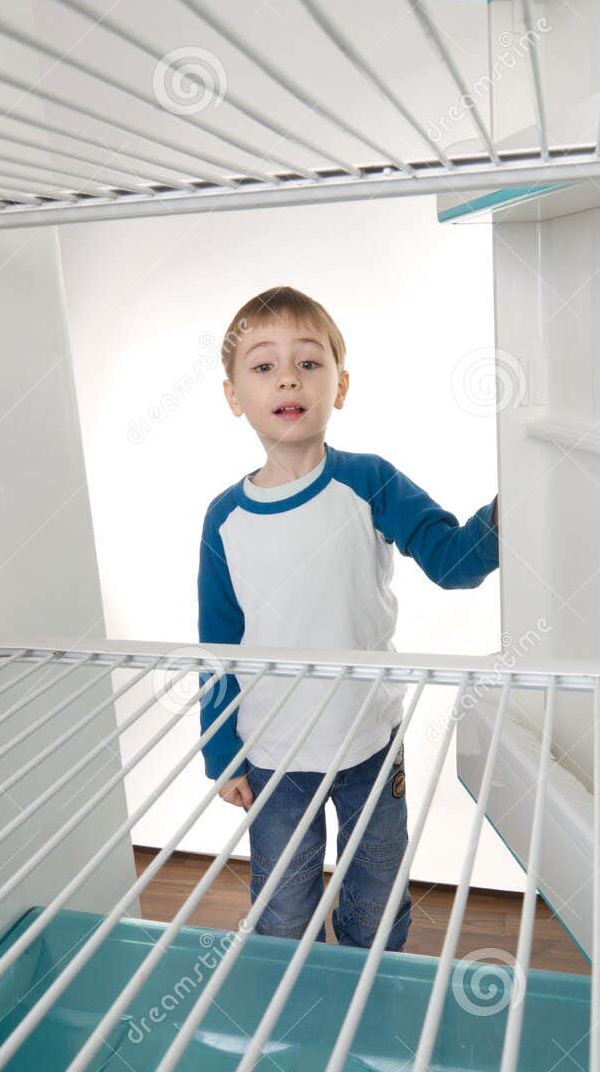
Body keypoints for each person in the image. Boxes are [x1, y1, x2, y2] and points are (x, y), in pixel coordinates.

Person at [196, 285, 499, 951]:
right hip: (273, 752)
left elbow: (453, 563)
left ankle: (374, 1009)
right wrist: (222, 752)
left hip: (368, 739)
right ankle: (289, 1027)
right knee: (281, 910)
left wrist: (510, 510)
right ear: (232, 395)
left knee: (375, 899)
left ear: (339, 385)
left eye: (308, 362)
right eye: (263, 365)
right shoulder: (226, 517)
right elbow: (218, 645)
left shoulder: (368, 481)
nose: (287, 378)